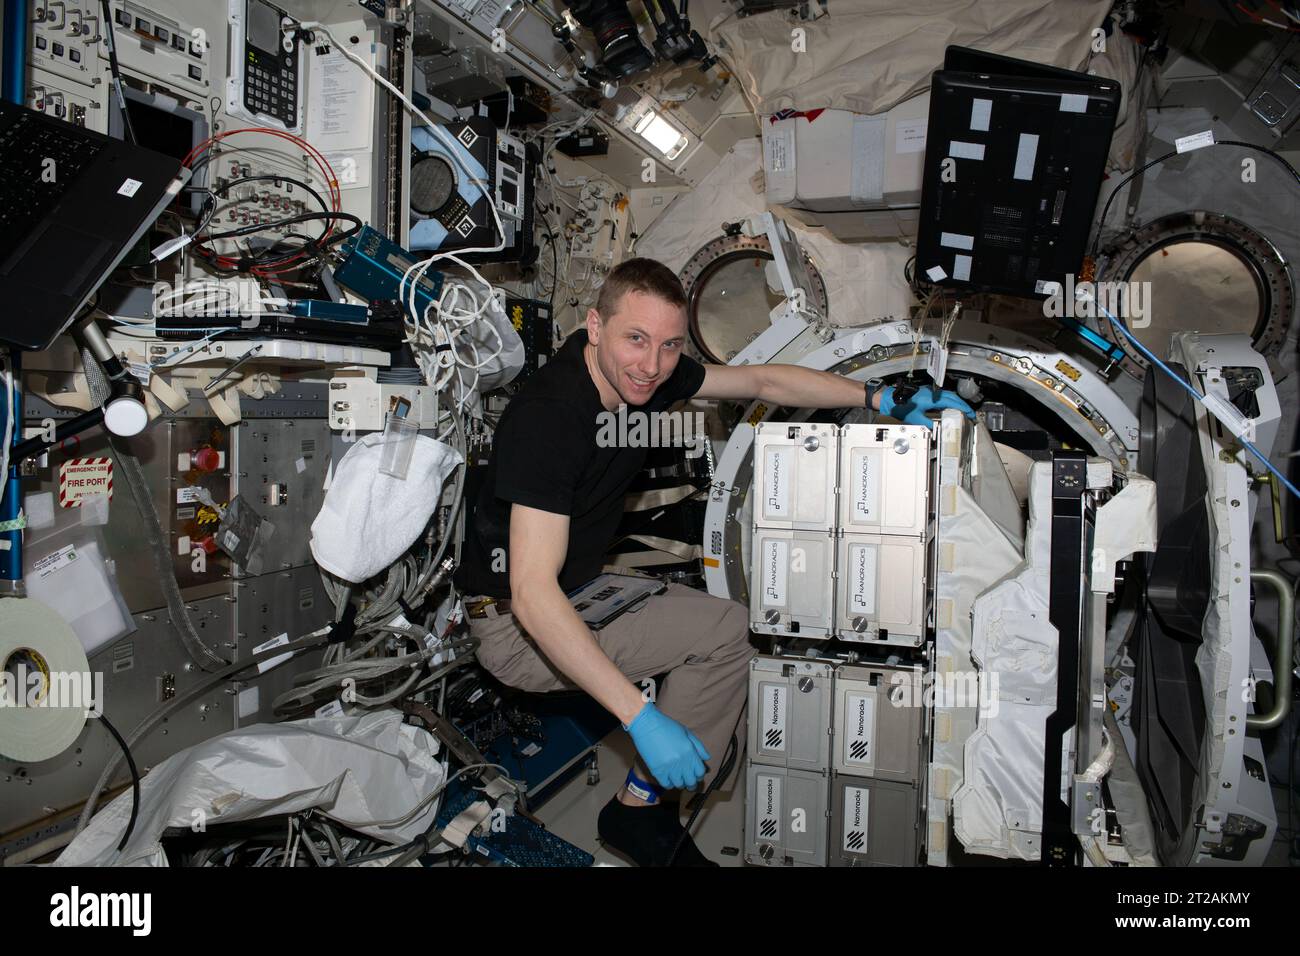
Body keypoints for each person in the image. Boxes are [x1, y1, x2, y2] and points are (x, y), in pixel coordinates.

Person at [455, 257, 973, 866]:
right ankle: (639, 811)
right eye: (636, 340)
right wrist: (640, 717)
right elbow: (534, 597)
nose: (651, 366)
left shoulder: (645, 376)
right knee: (723, 641)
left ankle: (655, 789)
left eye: (669, 345)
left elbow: (763, 383)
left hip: (580, 589)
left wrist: (877, 395)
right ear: (595, 326)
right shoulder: (551, 418)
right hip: (517, 627)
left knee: (727, 631)